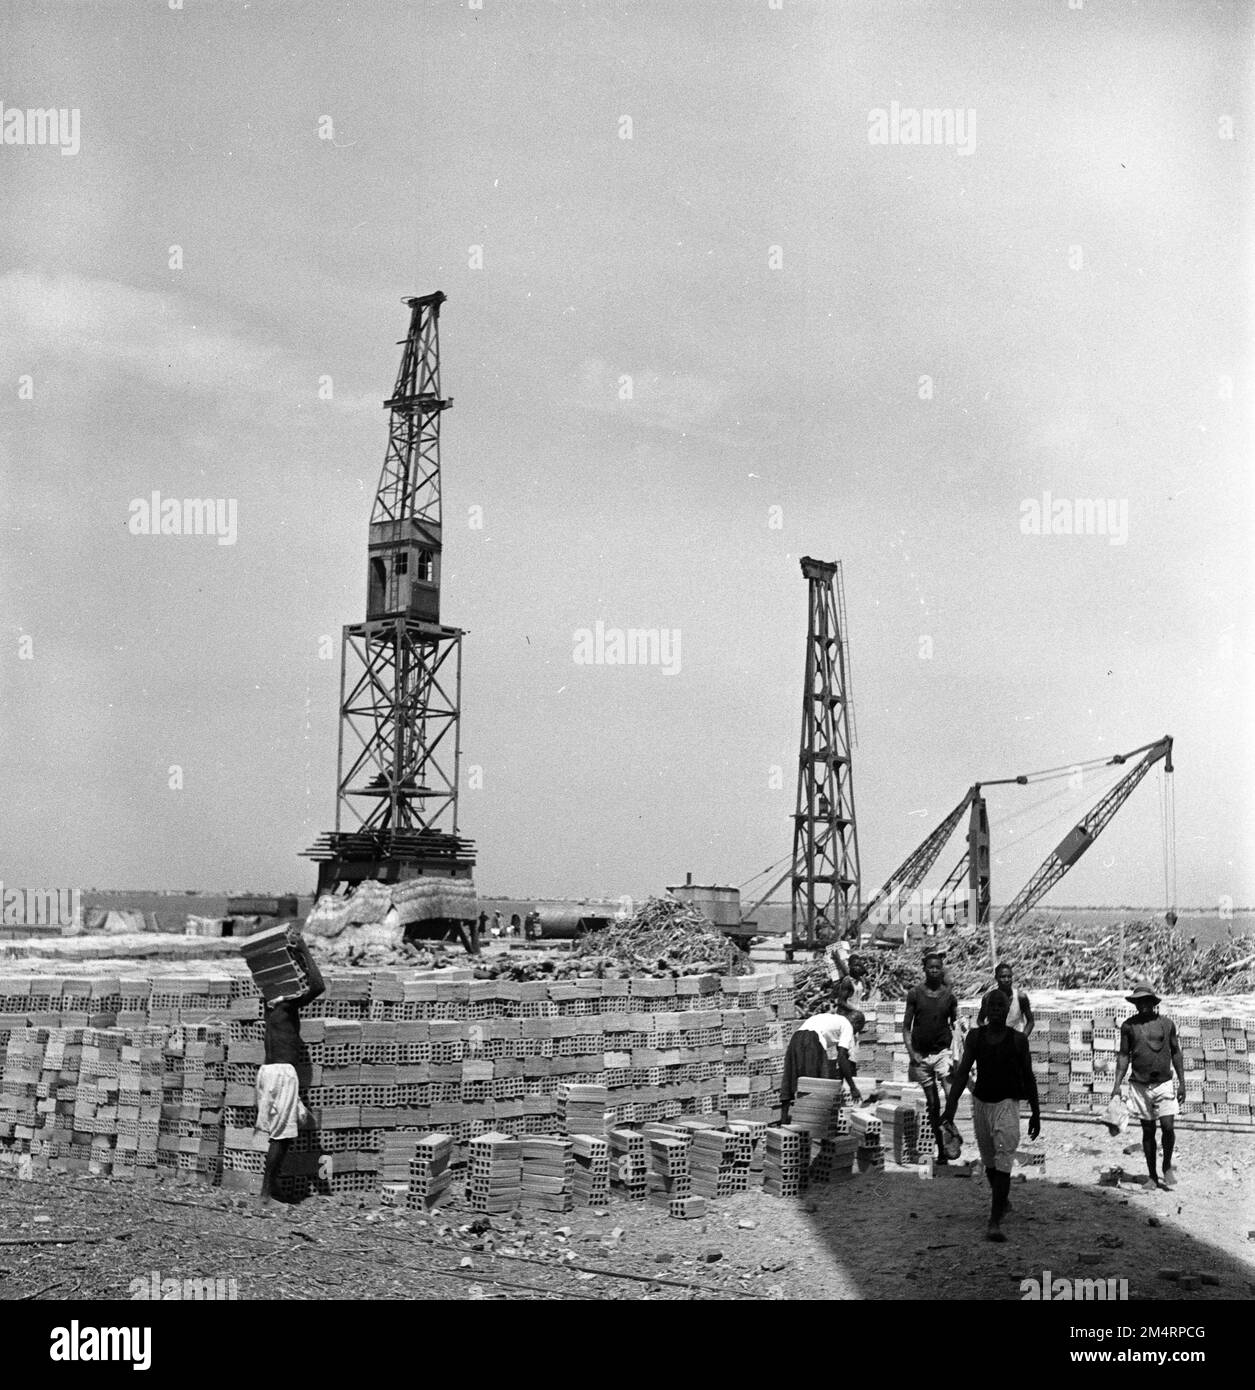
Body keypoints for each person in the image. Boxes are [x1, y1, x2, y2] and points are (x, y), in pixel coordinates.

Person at [943, 989, 1041, 1242]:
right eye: (992, 1006)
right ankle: (1003, 1200)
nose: (996, 1010)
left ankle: (994, 1220)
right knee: (989, 1162)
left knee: (1004, 1160)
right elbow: (963, 1072)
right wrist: (950, 1107)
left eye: (1001, 1006)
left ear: (1008, 1009)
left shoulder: (1019, 1040)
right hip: (981, 1104)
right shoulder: (975, 1037)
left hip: (1007, 1104)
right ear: (984, 1010)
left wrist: (1036, 1112)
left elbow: (1028, 1076)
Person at [254, 973, 325, 1213]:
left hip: (268, 1071)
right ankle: (265, 1196)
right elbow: (318, 986)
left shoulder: (270, 1002)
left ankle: (272, 1187)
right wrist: (302, 947)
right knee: (281, 1136)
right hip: (282, 1073)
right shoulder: (286, 1002)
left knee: (284, 1133)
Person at [1109, 978, 1185, 1191]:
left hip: (1164, 1083)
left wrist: (1182, 1082)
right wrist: (1117, 1084)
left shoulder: (1166, 1024)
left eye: (1146, 1001)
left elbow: (1176, 1052)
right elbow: (1124, 1055)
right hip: (1140, 1085)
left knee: (1168, 1126)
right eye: (1139, 1002)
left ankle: (1166, 1164)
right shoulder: (1128, 1027)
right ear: (1135, 1004)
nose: (1143, 1005)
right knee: (1148, 1131)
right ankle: (1152, 1176)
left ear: (1153, 1002)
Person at [903, 951, 958, 1163]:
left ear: (942, 969)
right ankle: (942, 1151)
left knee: (950, 1095)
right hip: (921, 1057)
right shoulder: (915, 994)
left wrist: (955, 1055)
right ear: (924, 969)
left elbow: (956, 1027)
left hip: (942, 1053)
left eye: (938, 967)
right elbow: (906, 1027)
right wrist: (912, 1053)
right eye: (931, 967)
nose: (934, 970)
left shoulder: (948, 996)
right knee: (933, 1104)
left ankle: (949, 1129)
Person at [780, 996, 863, 1122]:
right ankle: (812, 1124)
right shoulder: (848, 1025)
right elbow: (841, 1058)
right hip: (812, 1041)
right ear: (856, 1023)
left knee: (791, 1077)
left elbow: (839, 1058)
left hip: (796, 1038)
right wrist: (852, 1087)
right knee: (818, 1085)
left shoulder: (832, 1018)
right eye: (857, 1030)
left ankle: (784, 1120)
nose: (854, 1033)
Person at [977, 962, 1035, 1037]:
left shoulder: (1020, 997)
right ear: (996, 978)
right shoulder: (988, 998)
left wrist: (1022, 1038)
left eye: (1009, 976)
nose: (1007, 980)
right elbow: (980, 1020)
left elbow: (1030, 1021)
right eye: (1003, 977)